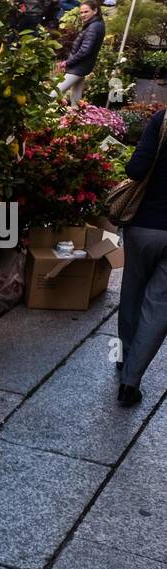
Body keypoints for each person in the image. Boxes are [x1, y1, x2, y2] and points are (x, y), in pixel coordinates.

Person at [116, 103, 167, 406]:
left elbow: (135, 169)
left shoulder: (162, 120)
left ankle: (123, 357)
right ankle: (131, 382)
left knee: (132, 295)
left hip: (143, 226)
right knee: (159, 308)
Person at [58, 0, 105, 105]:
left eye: (86, 12)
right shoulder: (95, 24)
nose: (83, 15)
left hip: (79, 67)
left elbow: (85, 50)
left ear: (95, 11)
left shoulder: (93, 27)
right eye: (81, 12)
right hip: (82, 66)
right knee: (76, 97)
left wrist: (67, 62)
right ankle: (75, 119)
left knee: (54, 92)